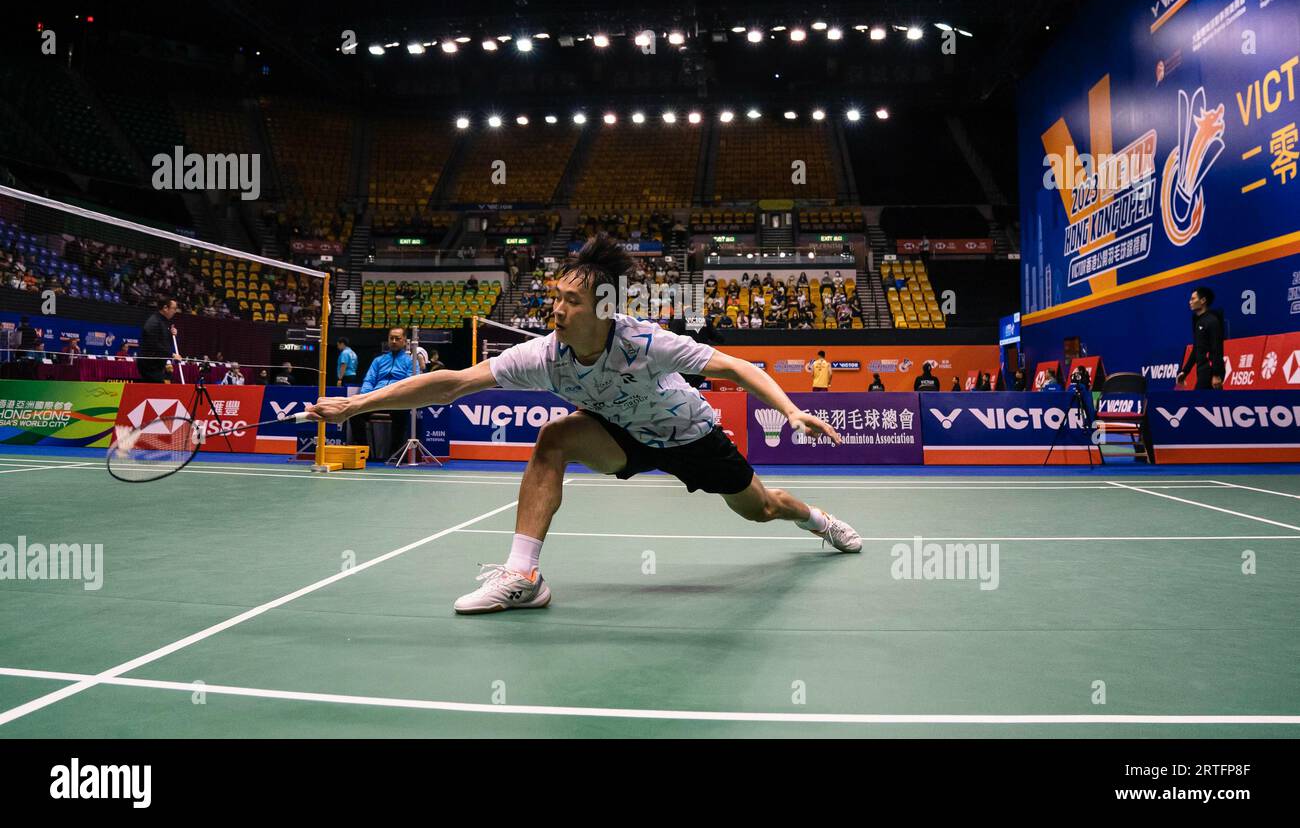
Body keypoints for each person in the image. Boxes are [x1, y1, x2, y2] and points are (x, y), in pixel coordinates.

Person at [307, 235, 861, 614]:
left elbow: (734, 366)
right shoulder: (544, 355)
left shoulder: (645, 341)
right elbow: (452, 382)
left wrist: (789, 410)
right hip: (621, 436)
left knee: (762, 508)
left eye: (571, 301)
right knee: (554, 438)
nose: (557, 310)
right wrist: (357, 405)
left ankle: (817, 520)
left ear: (603, 308)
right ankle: (524, 576)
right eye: (556, 298)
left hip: (691, 437)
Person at [358, 327, 417, 459]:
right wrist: (365, 397)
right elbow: (369, 380)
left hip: (396, 399)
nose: (394, 341)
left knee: (402, 413)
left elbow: (412, 383)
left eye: (398, 338)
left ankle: (395, 455)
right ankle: (364, 453)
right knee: (354, 413)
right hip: (376, 398)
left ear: (404, 342)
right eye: (391, 338)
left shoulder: (410, 362)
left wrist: (397, 395)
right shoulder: (378, 361)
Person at [1177, 285, 1225, 390]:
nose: (1190, 302)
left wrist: (1216, 374)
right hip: (1202, 370)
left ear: (1203, 300)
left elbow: (1217, 348)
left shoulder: (1212, 321)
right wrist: (1185, 372)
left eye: (1193, 299)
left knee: (1200, 402)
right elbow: (1197, 349)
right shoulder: (1198, 321)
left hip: (1211, 371)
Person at [138, 296, 180, 383]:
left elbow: (164, 341)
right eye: (174, 308)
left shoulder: (164, 321)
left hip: (158, 364)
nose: (175, 311)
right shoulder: (153, 322)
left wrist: (171, 333)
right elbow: (154, 344)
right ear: (165, 308)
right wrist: (172, 355)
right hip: (150, 365)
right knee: (157, 391)